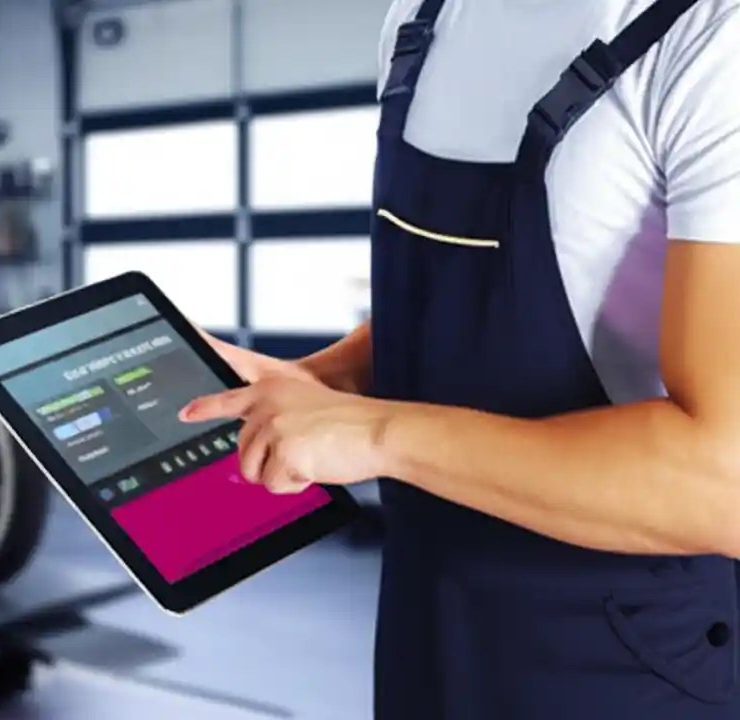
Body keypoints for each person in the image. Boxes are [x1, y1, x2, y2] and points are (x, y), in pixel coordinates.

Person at [180, 0, 740, 717]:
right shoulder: (421, 20)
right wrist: (322, 382)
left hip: (619, 654)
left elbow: (722, 483)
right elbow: (486, 298)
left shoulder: (711, 38)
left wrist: (377, 434)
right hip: (426, 627)